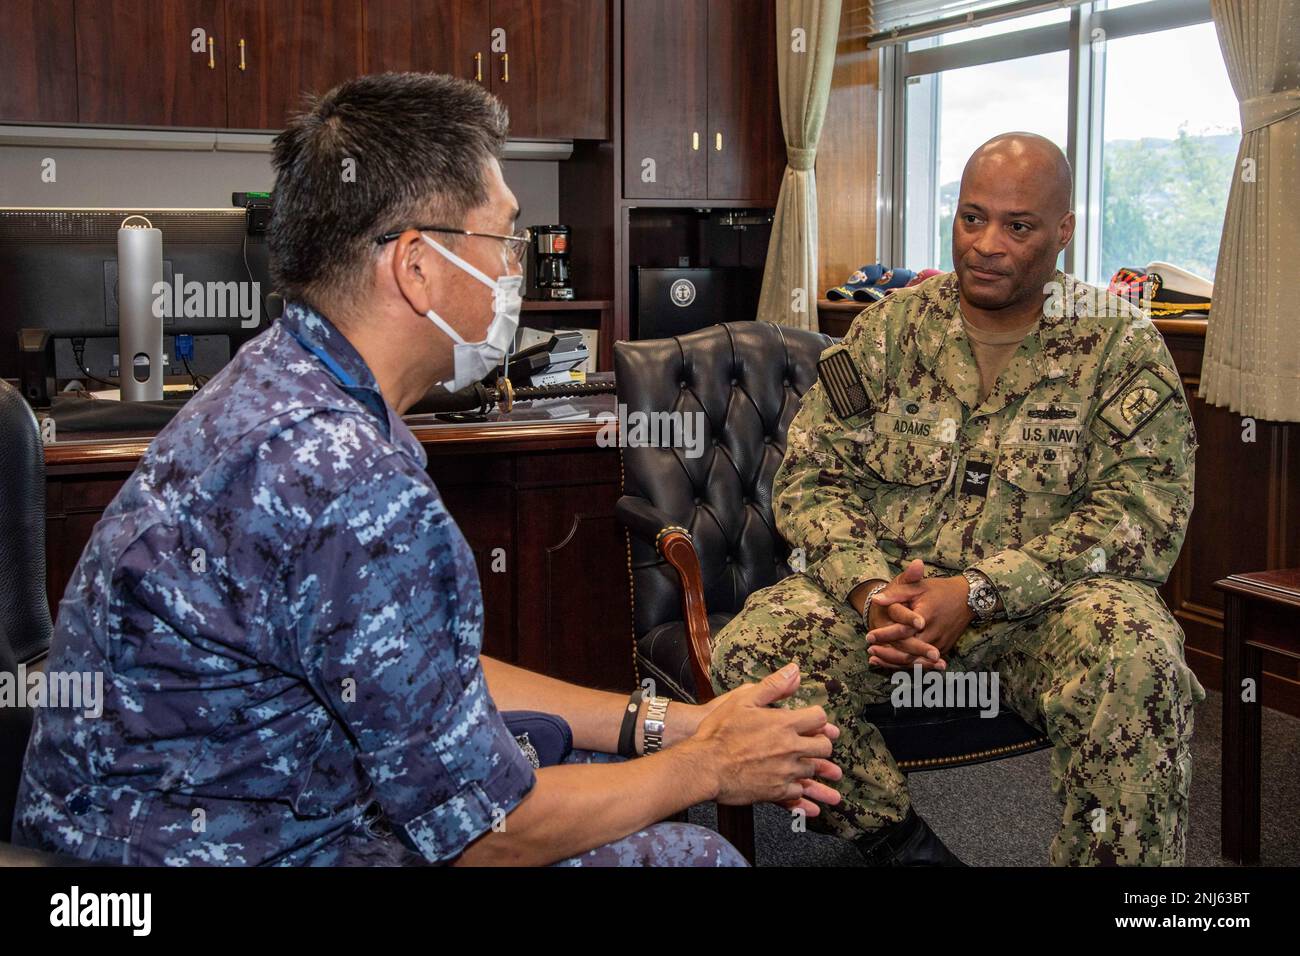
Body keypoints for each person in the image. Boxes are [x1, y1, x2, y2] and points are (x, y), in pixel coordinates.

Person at [13, 73, 843, 867]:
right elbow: (490, 837)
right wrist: (711, 767)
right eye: (505, 236)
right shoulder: (353, 484)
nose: (518, 263)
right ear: (415, 266)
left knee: (596, 773)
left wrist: (666, 727)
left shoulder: (288, 380)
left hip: (128, 828)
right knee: (694, 852)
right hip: (208, 849)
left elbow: (414, 665)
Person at [711, 132, 1205, 866]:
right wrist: (871, 591)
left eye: (1018, 225)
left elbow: (1143, 512)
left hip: (1043, 611)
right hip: (893, 613)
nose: (987, 245)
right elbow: (813, 479)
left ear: (1064, 231)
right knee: (755, 649)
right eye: (971, 217)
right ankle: (897, 841)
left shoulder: (1119, 345)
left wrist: (978, 592)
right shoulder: (888, 331)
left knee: (1140, 659)